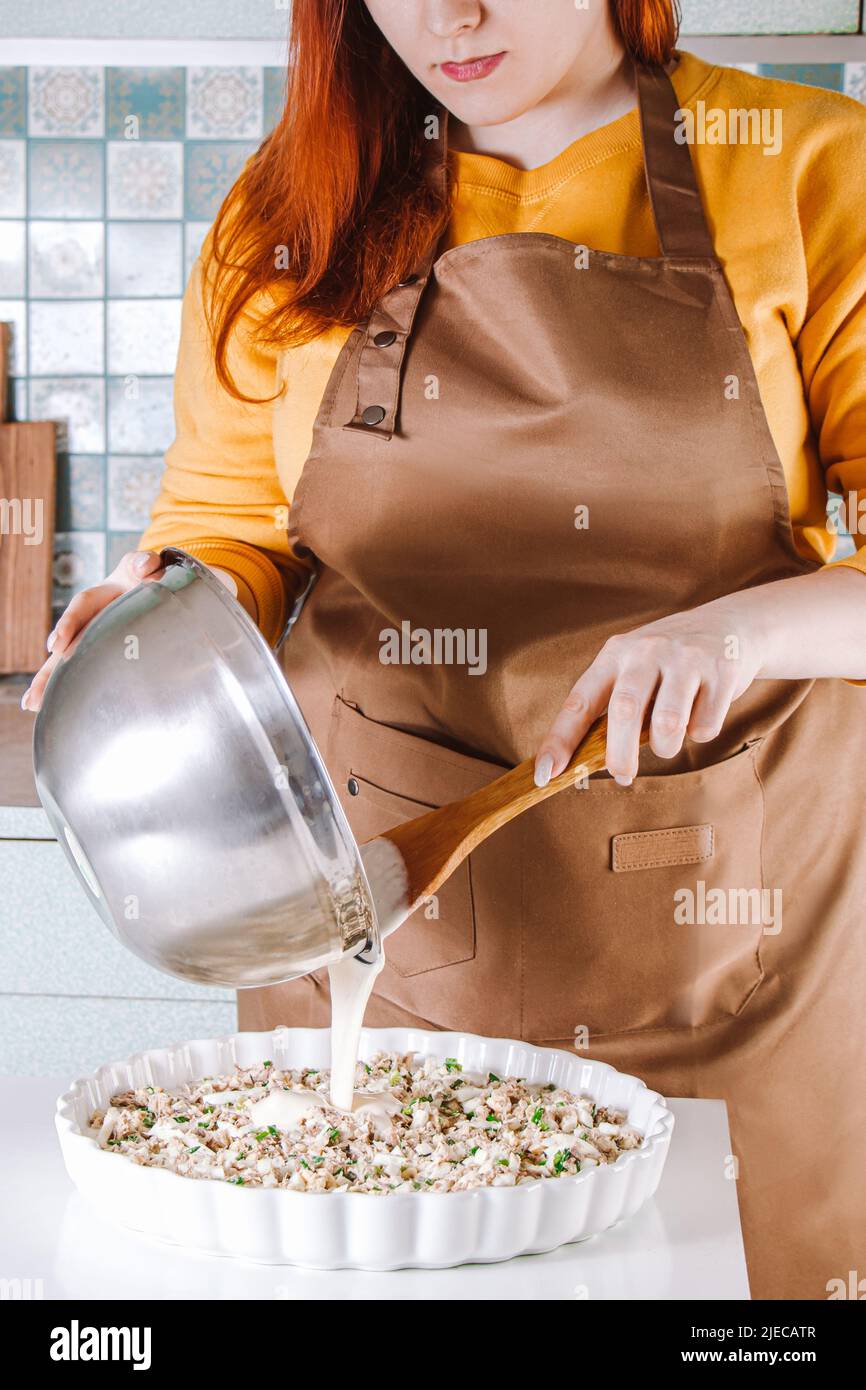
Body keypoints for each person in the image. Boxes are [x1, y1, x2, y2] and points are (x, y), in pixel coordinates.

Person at [24, 1, 866, 1300]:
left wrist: (741, 624)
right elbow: (227, 530)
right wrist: (165, 613)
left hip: (731, 952)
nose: (449, 15)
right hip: (372, 925)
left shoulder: (808, 166)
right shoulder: (296, 204)